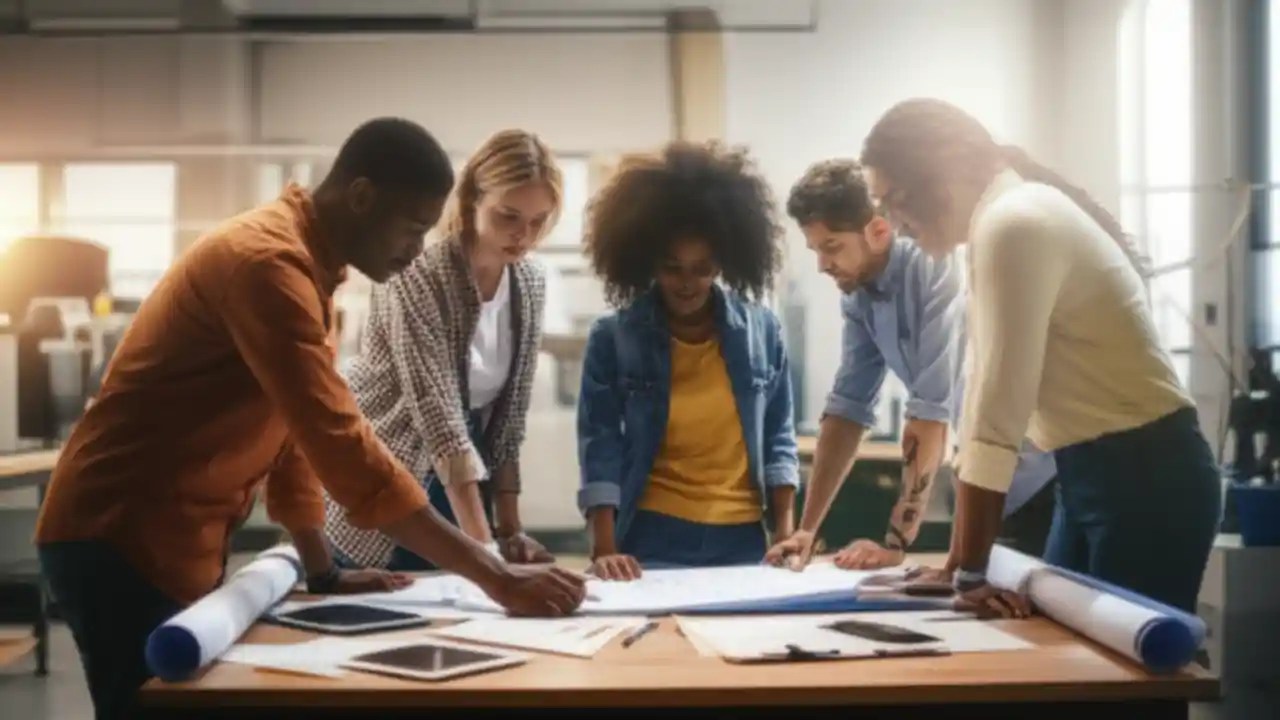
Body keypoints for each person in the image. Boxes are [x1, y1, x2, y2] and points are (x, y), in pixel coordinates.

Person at [34, 118, 586, 720]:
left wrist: (321, 570)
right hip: (118, 531)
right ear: (361, 197)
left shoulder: (307, 268)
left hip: (175, 537)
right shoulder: (265, 265)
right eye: (411, 229)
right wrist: (496, 577)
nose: (415, 250)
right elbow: (340, 445)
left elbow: (293, 431)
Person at [858, 98, 1221, 615]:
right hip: (1087, 473)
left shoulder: (1016, 223)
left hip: (1148, 476)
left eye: (894, 200)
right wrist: (957, 565)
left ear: (942, 169)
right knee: (1058, 642)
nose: (894, 223)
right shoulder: (999, 223)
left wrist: (969, 573)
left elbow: (996, 417)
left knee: (1122, 659)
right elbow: (980, 409)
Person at [765, 159, 1059, 572]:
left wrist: (895, 543)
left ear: (878, 231)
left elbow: (930, 413)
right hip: (989, 489)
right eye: (816, 250)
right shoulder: (859, 295)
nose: (822, 265)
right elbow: (847, 409)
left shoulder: (935, 262)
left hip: (1048, 478)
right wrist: (807, 531)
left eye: (832, 247)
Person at [324, 129, 560, 570]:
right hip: (395, 474)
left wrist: (510, 532)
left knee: (468, 602)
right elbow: (440, 421)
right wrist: (485, 553)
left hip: (466, 481)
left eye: (538, 221)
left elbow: (509, 419)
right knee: (405, 601)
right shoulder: (419, 274)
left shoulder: (529, 282)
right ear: (472, 201)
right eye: (508, 216)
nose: (523, 235)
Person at [577, 141, 800, 580]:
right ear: (647, 261)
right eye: (672, 267)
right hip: (651, 538)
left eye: (703, 268)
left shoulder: (763, 332)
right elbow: (599, 446)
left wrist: (785, 535)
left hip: (742, 540)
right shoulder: (614, 337)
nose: (687, 283)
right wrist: (604, 549)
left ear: (725, 262)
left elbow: (779, 436)